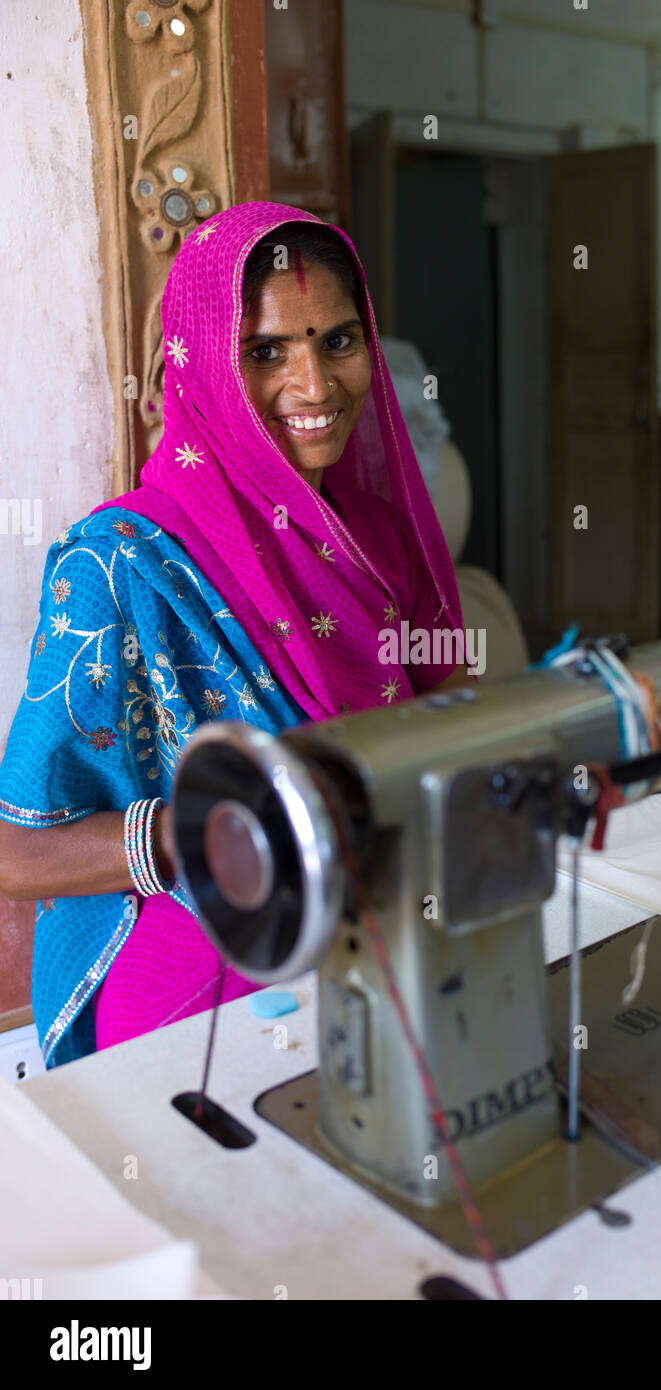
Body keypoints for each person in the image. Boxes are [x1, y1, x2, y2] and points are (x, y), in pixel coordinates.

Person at [0, 202, 471, 1068]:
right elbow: (16, 854)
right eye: (265, 352)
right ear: (203, 366)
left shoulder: (378, 533)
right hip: (209, 970)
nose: (314, 386)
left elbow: (437, 720)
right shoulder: (121, 565)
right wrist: (212, 833)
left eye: (336, 340)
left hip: (375, 914)